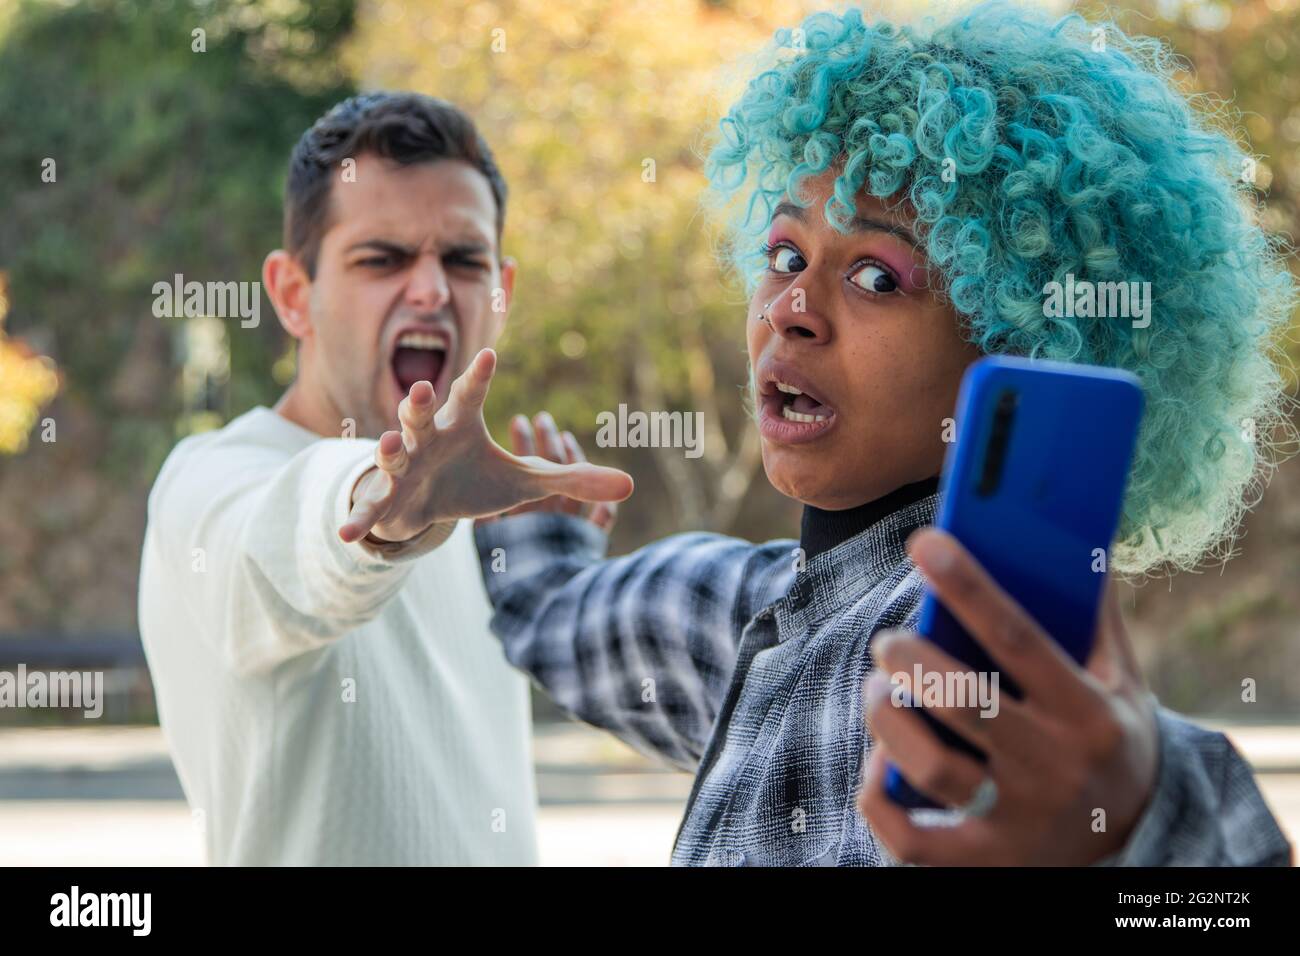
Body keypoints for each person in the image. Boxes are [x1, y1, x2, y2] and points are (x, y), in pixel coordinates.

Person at [470, 4, 1295, 865]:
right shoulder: (755, 618)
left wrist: (1139, 823)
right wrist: (513, 514)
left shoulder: (961, 661)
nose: (790, 309)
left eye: (875, 276)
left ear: (1015, 346)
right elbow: (570, 614)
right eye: (786, 255)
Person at [139, 92, 630, 865]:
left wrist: (548, 578)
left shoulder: (475, 515)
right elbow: (290, 546)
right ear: (294, 296)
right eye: (383, 258)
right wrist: (388, 512)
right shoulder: (207, 481)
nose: (432, 289)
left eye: (463, 260)